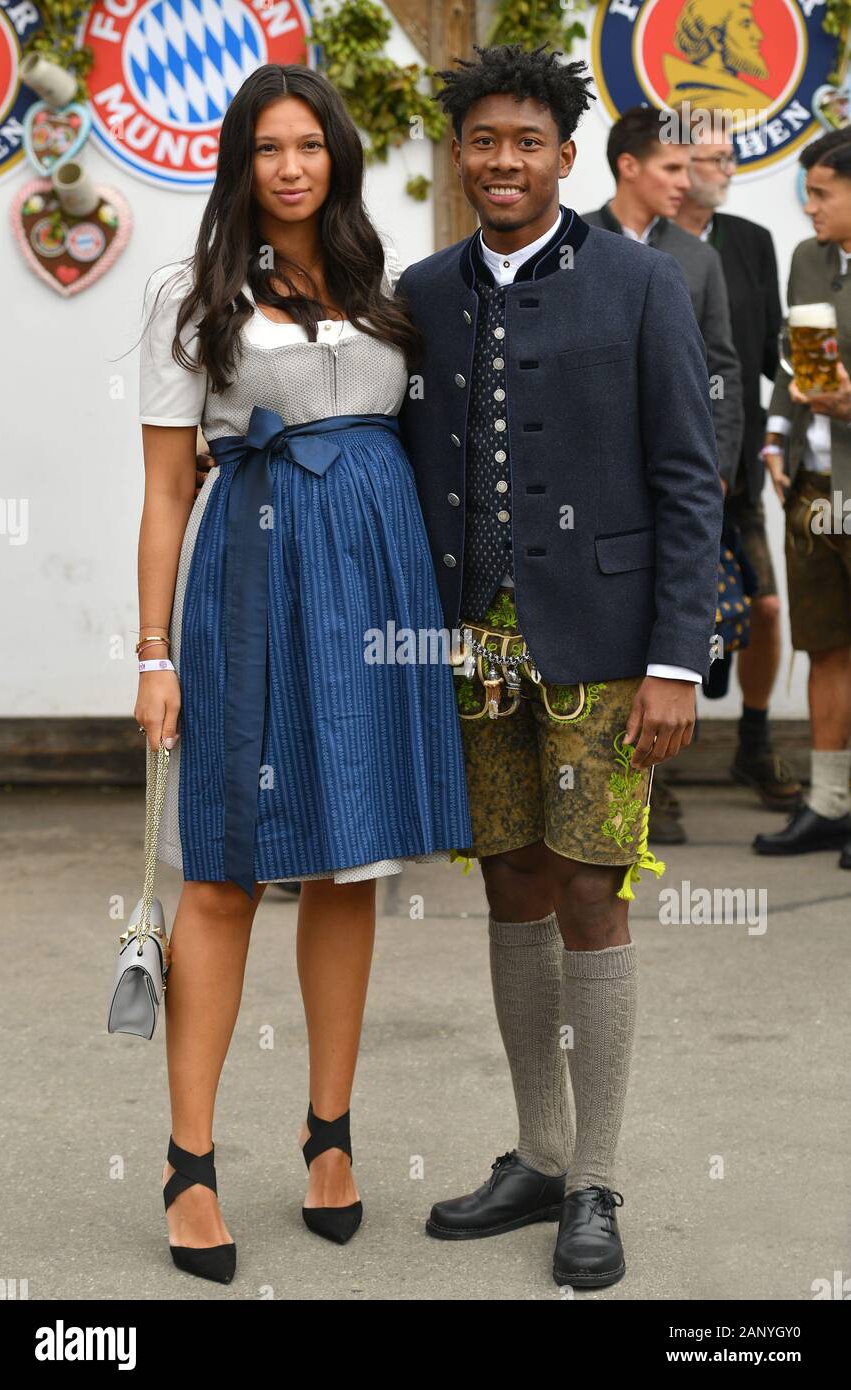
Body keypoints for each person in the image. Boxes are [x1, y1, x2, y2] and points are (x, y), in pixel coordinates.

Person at [135, 62, 472, 1282]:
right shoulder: (191, 291)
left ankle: (328, 1133)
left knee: (350, 860)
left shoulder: (384, 288)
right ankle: (188, 1162)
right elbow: (168, 490)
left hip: (376, 593)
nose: (289, 165)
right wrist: (151, 653)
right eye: (266, 147)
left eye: (308, 144)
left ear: (336, 154)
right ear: (240, 162)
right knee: (222, 869)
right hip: (250, 579)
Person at [394, 42, 724, 1288]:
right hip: (473, 647)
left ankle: (595, 1175)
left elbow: (689, 479)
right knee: (511, 883)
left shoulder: (639, 283)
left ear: (565, 156)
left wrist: (675, 663)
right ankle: (534, 1151)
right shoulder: (422, 289)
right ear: (459, 153)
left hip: (605, 649)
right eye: (482, 140)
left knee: (593, 889)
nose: (502, 161)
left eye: (525, 140)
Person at [583, 103, 744, 843]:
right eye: (675, 168)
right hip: (599, 483)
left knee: (676, 624)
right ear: (629, 166)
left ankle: (660, 783)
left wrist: (717, 469)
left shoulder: (699, 258)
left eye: (691, 168)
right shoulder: (574, 243)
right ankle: (607, 777)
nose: (689, 183)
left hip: (681, 478)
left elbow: (724, 371)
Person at [674, 119, 801, 813]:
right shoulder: (635, 242)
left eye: (729, 156)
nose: (726, 168)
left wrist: (786, 427)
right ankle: (651, 770)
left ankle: (753, 742)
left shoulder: (752, 243)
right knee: (657, 607)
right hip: (661, 467)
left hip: (738, 466)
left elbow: (771, 360)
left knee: (766, 603)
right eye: (711, 158)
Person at [752, 126, 851, 869]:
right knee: (824, 643)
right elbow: (800, 365)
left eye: (821, 193)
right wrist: (779, 435)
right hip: (814, 489)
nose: (808, 208)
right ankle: (828, 806)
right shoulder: (807, 260)